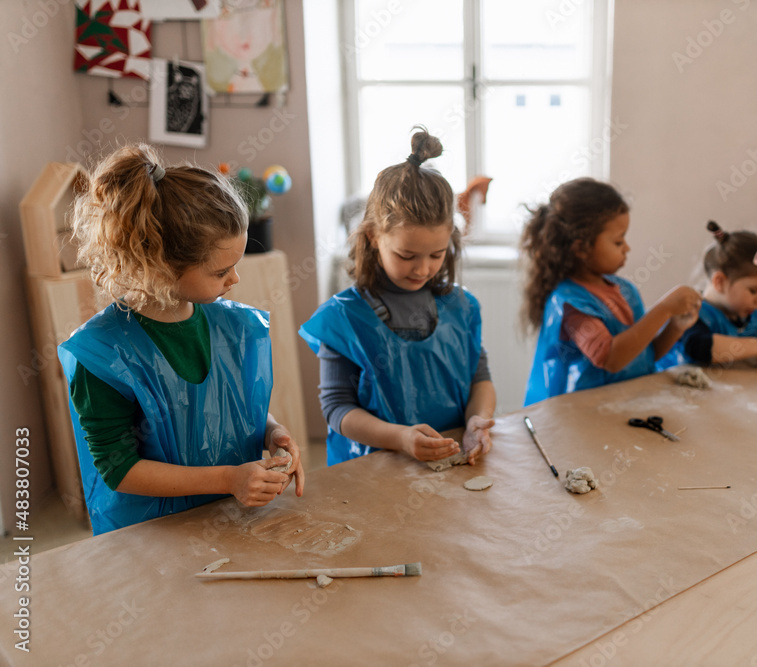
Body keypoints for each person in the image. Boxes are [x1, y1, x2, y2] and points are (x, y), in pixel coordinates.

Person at [58, 144, 305, 536]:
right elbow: (118, 470)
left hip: (231, 516)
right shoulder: (101, 354)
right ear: (158, 265)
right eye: (221, 270)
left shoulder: (235, 326)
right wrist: (229, 479)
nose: (234, 280)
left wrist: (273, 432)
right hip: (152, 534)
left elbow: (234, 409)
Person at [299, 128, 496, 466]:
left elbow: (480, 380)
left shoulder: (461, 307)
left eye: (436, 255)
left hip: (451, 461)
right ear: (374, 237)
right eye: (407, 256)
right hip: (371, 470)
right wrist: (400, 438)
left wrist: (477, 420)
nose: (422, 269)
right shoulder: (343, 319)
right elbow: (337, 410)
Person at [521, 178, 702, 406]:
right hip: (580, 417)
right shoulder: (570, 304)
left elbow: (643, 356)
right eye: (618, 242)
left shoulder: (624, 290)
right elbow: (611, 358)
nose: (627, 248)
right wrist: (664, 309)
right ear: (580, 248)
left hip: (624, 405)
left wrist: (676, 326)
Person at [662, 221, 757, 367]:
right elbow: (698, 347)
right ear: (720, 282)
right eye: (754, 290)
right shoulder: (693, 313)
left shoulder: (747, 312)